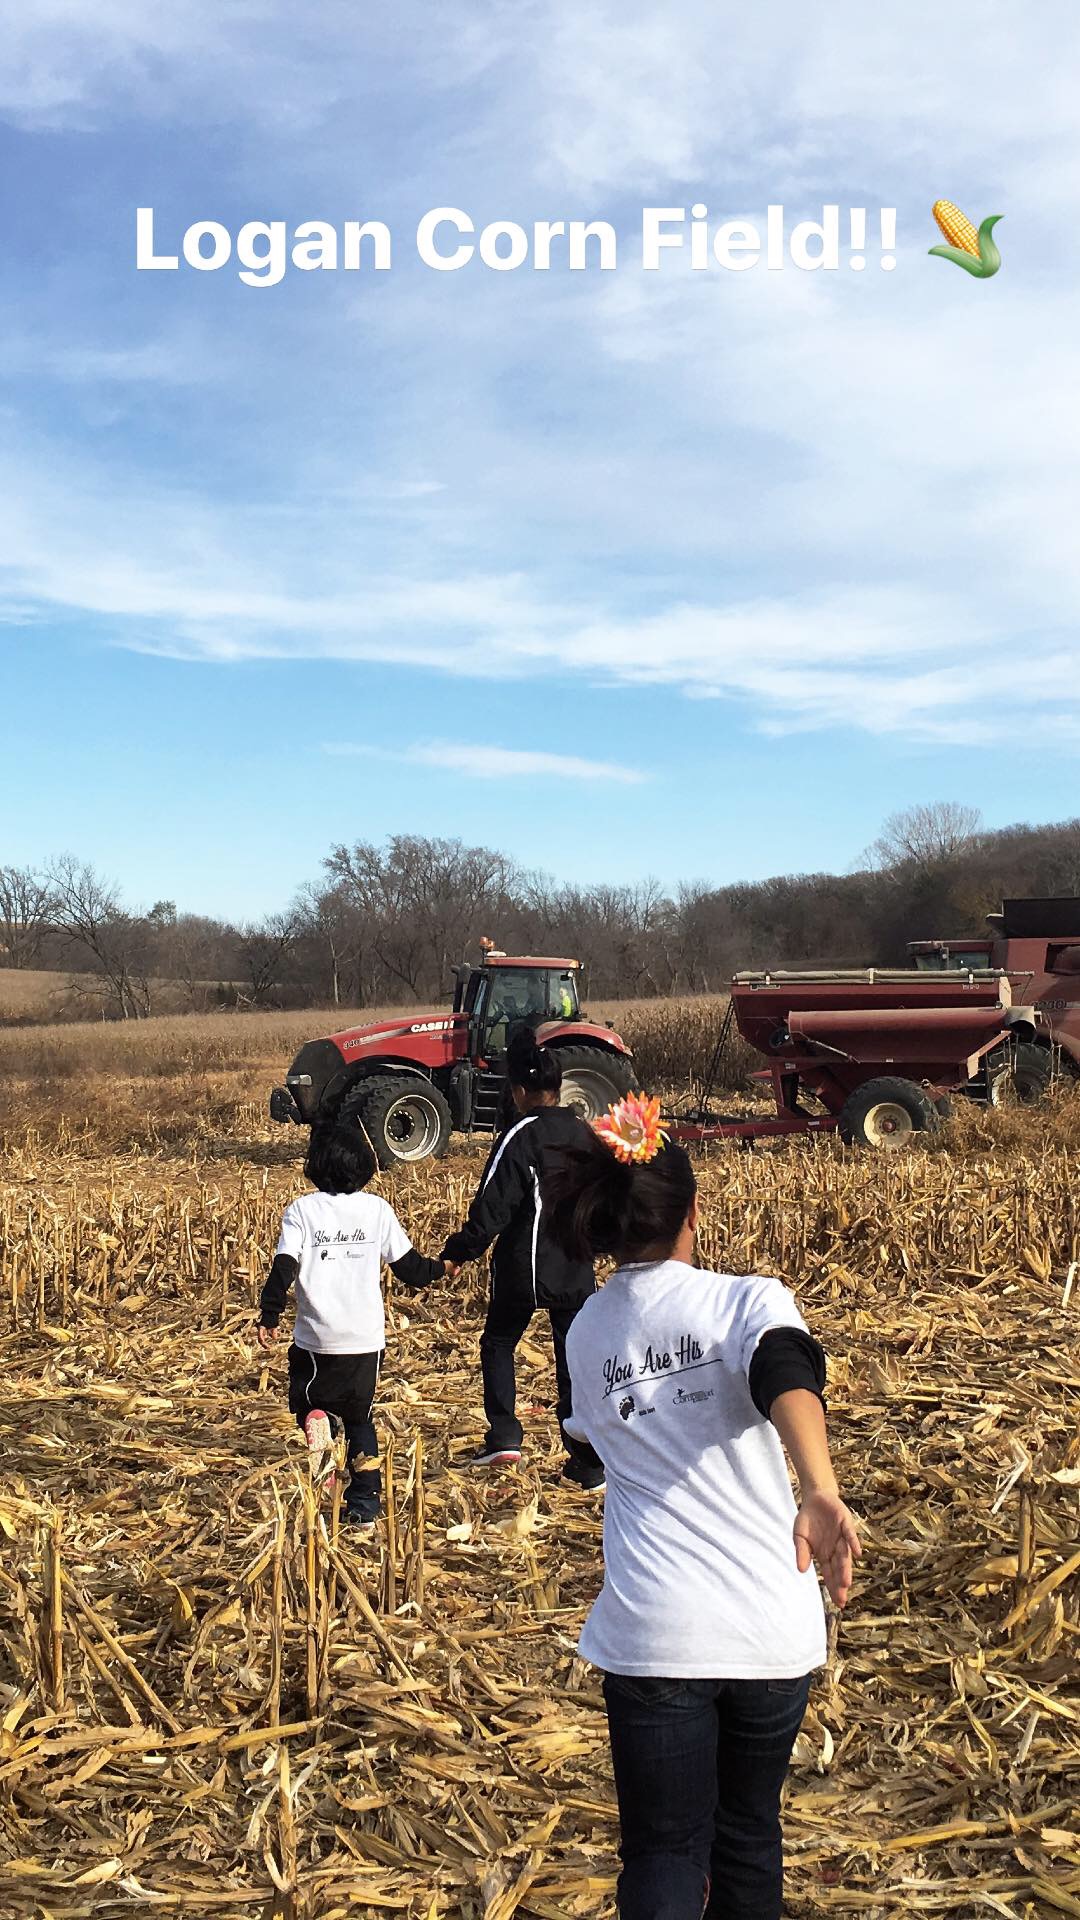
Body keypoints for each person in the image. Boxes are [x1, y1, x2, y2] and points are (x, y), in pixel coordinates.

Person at [542, 1093, 860, 1920]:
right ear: (693, 1213)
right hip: (770, 1628)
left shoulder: (585, 1333)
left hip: (655, 1635)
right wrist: (818, 1488)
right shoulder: (746, 1299)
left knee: (663, 1852)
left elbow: (582, 1440)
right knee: (749, 1834)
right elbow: (784, 1368)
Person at [257, 1123, 444, 1527]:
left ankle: (318, 1427)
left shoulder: (302, 1212)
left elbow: (284, 1266)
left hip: (316, 1339)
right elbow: (410, 1268)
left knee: (308, 1402)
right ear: (363, 1168)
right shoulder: (376, 1210)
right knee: (361, 1419)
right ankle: (364, 1504)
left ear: (316, 1168)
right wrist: (442, 1268)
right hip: (364, 1339)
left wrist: (269, 1312)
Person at [441, 1027, 605, 1489]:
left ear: (518, 1090)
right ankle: (588, 1464)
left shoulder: (520, 1134)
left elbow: (494, 1203)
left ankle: (505, 1438)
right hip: (576, 1265)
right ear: (558, 1087)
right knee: (573, 1356)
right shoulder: (583, 1131)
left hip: (526, 1268)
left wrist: (460, 1252)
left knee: (498, 1343)